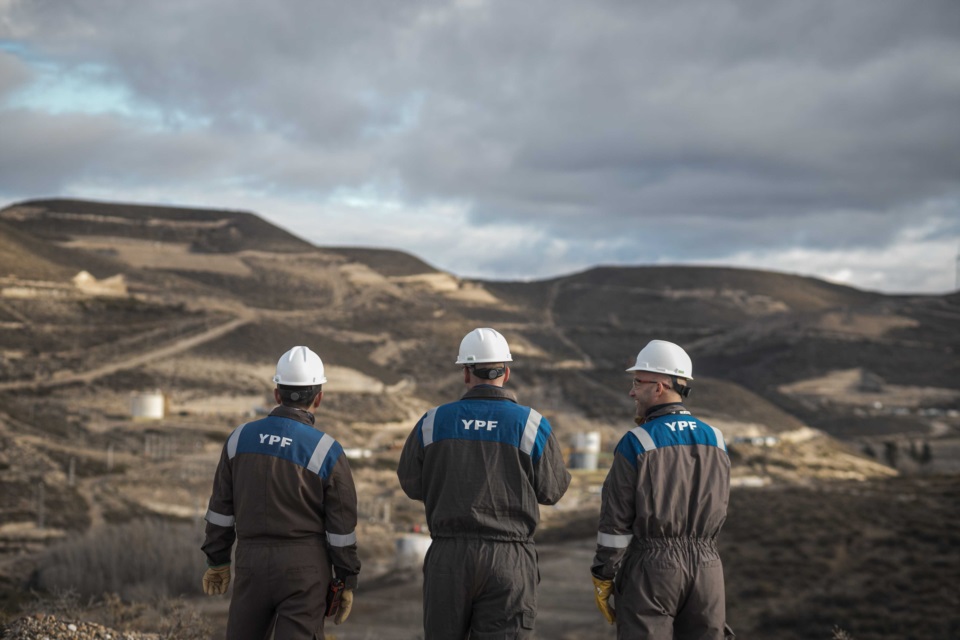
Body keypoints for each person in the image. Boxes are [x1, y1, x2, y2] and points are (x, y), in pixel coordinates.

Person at [398, 327, 571, 639]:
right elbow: (552, 490)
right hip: (509, 561)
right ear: (506, 372)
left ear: (466, 373)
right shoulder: (531, 425)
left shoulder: (432, 421)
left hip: (448, 558)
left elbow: (412, 484)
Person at [201, 346, 361, 640]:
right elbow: (341, 527)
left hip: (251, 564)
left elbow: (221, 512)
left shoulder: (239, 439)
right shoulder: (327, 450)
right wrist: (346, 578)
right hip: (304, 570)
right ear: (319, 397)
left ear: (277, 394)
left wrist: (218, 560)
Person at [591, 339, 734, 639]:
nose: (631, 391)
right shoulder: (716, 440)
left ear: (658, 387)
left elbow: (615, 522)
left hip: (653, 572)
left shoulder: (637, 442)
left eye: (637, 382)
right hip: (708, 569)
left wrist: (604, 574)